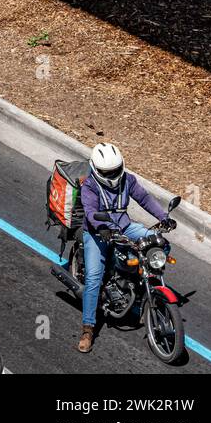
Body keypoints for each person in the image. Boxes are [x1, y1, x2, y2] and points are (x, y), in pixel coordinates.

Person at [77, 143, 175, 354]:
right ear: (96, 169)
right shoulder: (90, 186)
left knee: (160, 243)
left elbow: (144, 198)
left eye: (115, 169)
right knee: (94, 277)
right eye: (107, 172)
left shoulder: (127, 180)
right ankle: (88, 329)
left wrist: (164, 218)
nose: (112, 174)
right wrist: (102, 227)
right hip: (98, 232)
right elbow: (91, 211)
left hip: (124, 227)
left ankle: (146, 283)